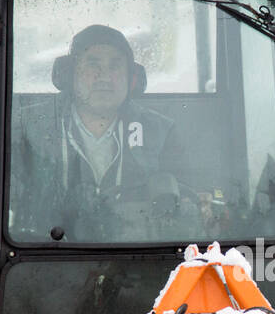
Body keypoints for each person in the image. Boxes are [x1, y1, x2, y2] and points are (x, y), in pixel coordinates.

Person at [10, 24, 182, 241]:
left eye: (115, 66)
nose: (104, 77)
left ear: (132, 78)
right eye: (93, 65)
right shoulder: (27, 128)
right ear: (69, 74)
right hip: (46, 257)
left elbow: (185, 206)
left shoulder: (161, 133)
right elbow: (13, 202)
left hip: (135, 256)